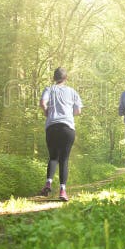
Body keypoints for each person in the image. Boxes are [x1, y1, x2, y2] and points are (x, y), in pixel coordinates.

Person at [39, 67, 83, 202]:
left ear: (54, 78)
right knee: (64, 159)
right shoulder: (72, 91)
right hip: (67, 128)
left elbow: (42, 103)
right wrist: (69, 113)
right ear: (66, 78)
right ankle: (63, 190)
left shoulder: (49, 89)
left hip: (52, 127)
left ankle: (48, 183)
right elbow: (78, 111)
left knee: (53, 157)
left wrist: (47, 112)